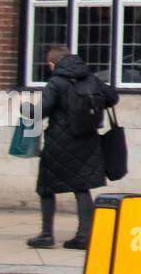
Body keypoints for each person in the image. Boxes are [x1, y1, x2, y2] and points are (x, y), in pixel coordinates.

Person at [26, 45, 119, 250]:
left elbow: (41, 112)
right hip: (88, 140)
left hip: (60, 143)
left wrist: (27, 109)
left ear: (53, 63)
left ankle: (46, 234)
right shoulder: (90, 78)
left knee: (45, 187)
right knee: (81, 188)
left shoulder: (56, 82)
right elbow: (112, 97)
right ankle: (84, 236)